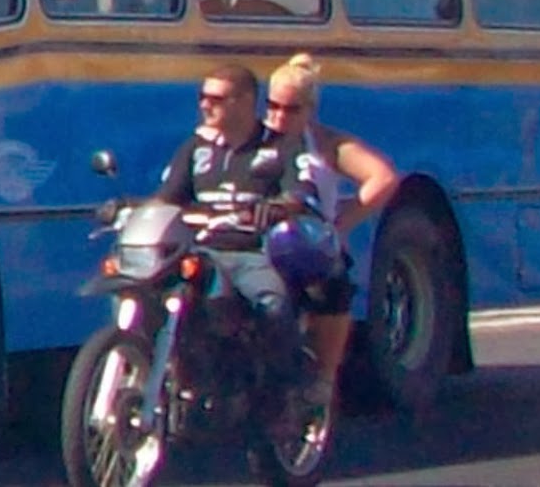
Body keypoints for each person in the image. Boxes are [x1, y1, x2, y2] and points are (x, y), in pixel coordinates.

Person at [148, 63, 322, 409]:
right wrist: (130, 210)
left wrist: (278, 208)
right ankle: (186, 375)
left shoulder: (280, 147)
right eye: (202, 97)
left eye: (216, 98)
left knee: (272, 304)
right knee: (153, 289)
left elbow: (300, 193)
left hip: (252, 252)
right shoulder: (196, 148)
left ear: (244, 102)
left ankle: (283, 395)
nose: (204, 105)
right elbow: (168, 197)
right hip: (199, 250)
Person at [264, 52, 401, 411]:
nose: (279, 117)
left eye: (291, 110)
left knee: (330, 285)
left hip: (306, 245)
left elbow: (382, 177)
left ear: (309, 110)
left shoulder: (325, 143)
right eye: (273, 106)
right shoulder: (254, 141)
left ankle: (323, 380)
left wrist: (340, 224)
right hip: (255, 240)